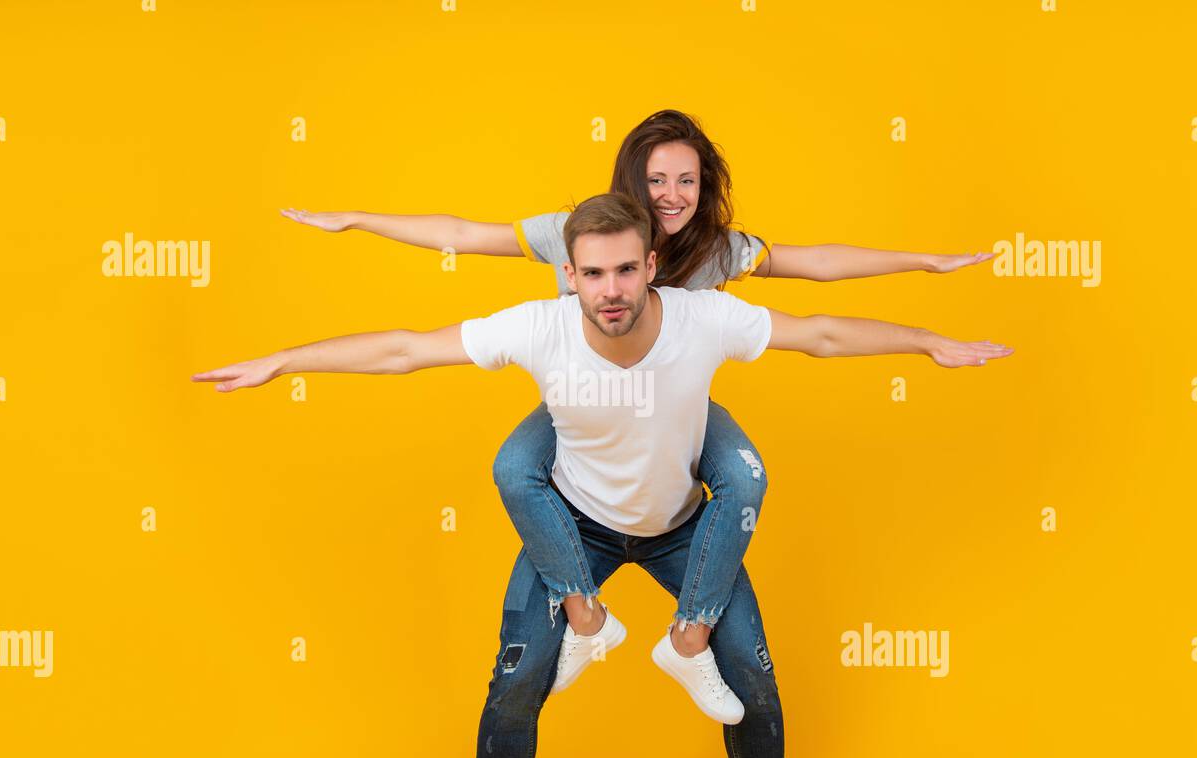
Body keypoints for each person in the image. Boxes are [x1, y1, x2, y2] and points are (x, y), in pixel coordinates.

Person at [194, 192, 1013, 758]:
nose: (611, 291)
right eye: (592, 274)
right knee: (517, 684)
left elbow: (823, 332)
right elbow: (405, 349)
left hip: (684, 529)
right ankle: (585, 620)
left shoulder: (704, 318)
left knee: (754, 683)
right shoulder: (536, 327)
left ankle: (687, 646)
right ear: (569, 274)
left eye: (626, 270)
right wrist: (285, 360)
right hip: (574, 530)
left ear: (653, 265)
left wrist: (928, 342)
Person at [279, 110, 994, 695]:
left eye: (687, 180)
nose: (672, 196)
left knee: (743, 475)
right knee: (513, 465)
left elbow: (818, 272)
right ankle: (585, 618)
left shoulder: (715, 250)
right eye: (657, 181)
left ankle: (691, 638)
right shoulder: (589, 231)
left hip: (670, 406)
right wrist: (357, 220)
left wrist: (921, 267)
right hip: (583, 400)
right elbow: (462, 236)